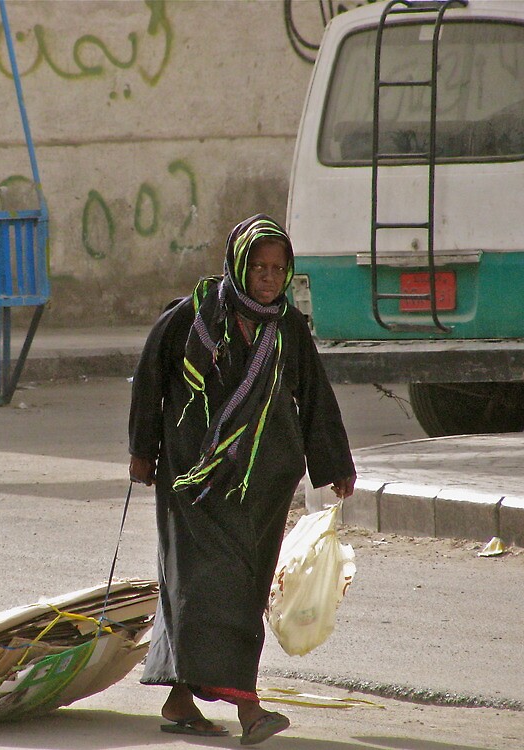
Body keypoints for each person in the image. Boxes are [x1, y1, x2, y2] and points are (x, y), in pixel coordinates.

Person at [128, 213, 356, 745]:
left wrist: (335, 466)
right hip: (193, 481)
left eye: (279, 269)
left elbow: (314, 400)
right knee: (214, 587)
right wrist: (143, 451)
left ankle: (180, 698)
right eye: (260, 267)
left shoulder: (289, 330)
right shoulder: (190, 317)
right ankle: (248, 707)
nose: (269, 278)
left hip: (262, 486)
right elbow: (151, 382)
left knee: (229, 587)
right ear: (239, 264)